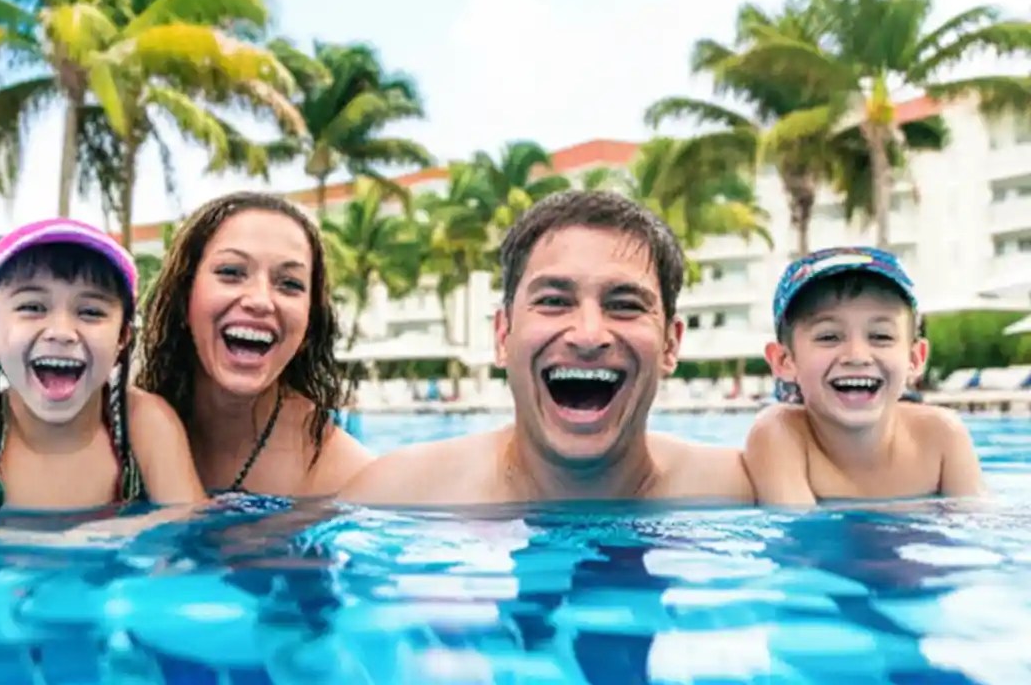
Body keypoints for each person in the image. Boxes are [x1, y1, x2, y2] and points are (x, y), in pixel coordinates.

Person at [339, 190, 754, 505]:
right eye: (554, 301)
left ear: (670, 344)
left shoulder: (739, 491)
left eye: (624, 305)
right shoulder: (398, 496)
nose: (589, 335)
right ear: (502, 336)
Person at [0, 218, 206, 527]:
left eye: (90, 312)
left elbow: (187, 528)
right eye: (32, 307)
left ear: (122, 339)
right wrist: (79, 542)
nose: (61, 332)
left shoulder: (144, 422)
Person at [136, 192, 374, 497]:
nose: (260, 301)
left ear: (309, 323)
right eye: (231, 273)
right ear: (184, 297)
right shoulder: (118, 424)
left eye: (289, 284)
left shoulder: (341, 475)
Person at [744, 246, 985, 505]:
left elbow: (979, 530)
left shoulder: (942, 437)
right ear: (784, 361)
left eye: (881, 336)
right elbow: (803, 538)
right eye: (829, 336)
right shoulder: (779, 434)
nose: (857, 355)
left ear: (915, 359)